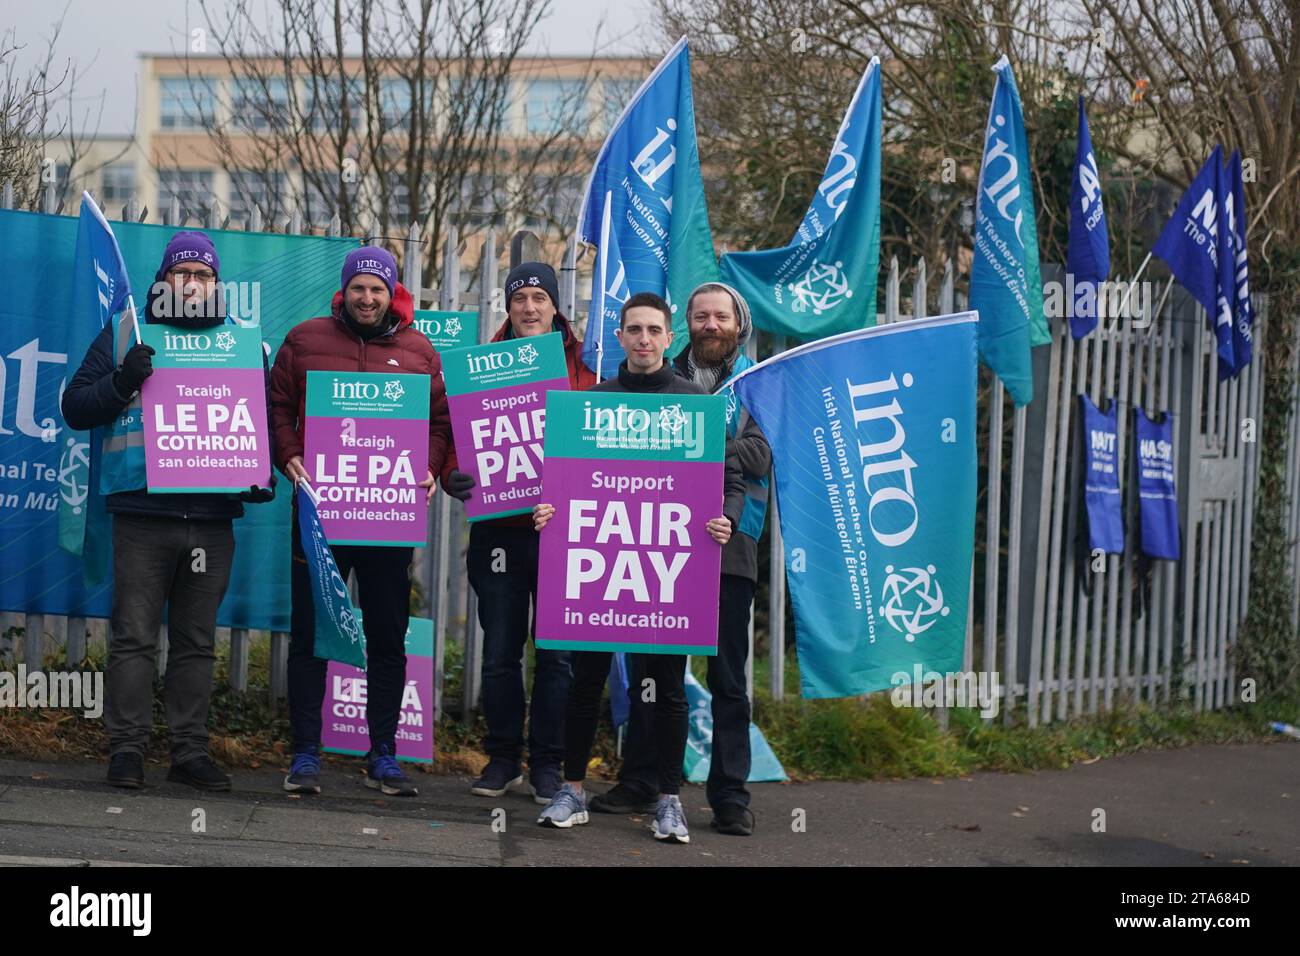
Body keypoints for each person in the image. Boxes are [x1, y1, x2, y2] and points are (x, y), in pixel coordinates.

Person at [61, 230, 276, 791]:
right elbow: (75, 407)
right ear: (164, 281)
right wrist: (122, 379)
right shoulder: (125, 333)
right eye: (183, 272)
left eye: (204, 275)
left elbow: (266, 429)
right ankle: (127, 751)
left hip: (209, 523)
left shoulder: (244, 345)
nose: (193, 282)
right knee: (133, 636)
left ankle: (188, 753)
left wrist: (259, 476)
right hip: (141, 518)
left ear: (216, 285)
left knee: (196, 641)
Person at [531, 291, 745, 844]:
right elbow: (565, 481)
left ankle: (669, 803)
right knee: (586, 682)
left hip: (665, 567)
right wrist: (548, 510)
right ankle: (571, 791)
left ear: (668, 337)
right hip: (601, 565)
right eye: (634, 330)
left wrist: (725, 517)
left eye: (654, 330)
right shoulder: (592, 400)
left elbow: (731, 479)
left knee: (667, 688)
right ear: (620, 337)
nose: (645, 339)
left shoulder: (695, 402)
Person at [270, 245, 451, 797]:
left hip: (387, 519)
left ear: (391, 292)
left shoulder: (419, 351)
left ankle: (384, 753)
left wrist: (431, 467)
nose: (366, 298)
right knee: (311, 633)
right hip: (320, 515)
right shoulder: (305, 339)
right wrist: (289, 455)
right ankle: (305, 754)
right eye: (358, 288)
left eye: (377, 288)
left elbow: (440, 423)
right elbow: (275, 406)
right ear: (343, 291)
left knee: (388, 638)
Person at [592, 282, 771, 837]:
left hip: (728, 543)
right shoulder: (656, 378)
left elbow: (764, 454)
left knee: (727, 677)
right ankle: (643, 778)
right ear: (684, 326)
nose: (710, 324)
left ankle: (729, 796)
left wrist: (698, 442)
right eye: (700, 316)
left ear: (737, 324)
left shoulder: (756, 384)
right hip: (653, 544)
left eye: (720, 316)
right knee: (651, 671)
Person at [442, 261, 594, 806]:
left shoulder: (585, 366)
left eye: (538, 297)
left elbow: (597, 438)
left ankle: (548, 766)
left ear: (556, 306)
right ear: (507, 307)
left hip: (562, 533)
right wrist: (451, 472)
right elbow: (457, 432)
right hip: (499, 532)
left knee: (556, 655)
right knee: (501, 651)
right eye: (519, 297)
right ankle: (503, 756)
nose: (529, 306)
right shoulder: (483, 367)